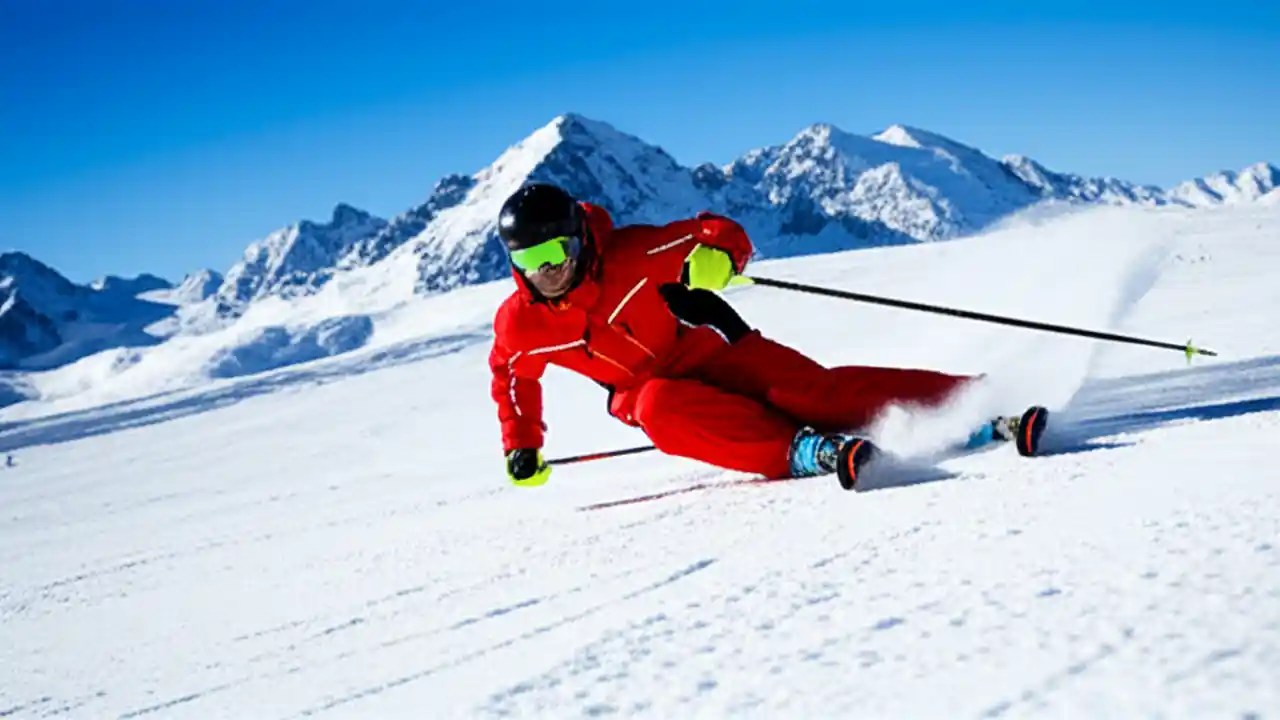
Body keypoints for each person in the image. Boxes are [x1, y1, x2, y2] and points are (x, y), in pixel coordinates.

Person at [488, 183, 995, 487]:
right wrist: (522, 443)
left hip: (709, 351)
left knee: (806, 393)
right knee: (658, 407)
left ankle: (972, 401)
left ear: (578, 240)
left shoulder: (632, 255)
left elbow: (715, 229)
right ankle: (797, 452)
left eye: (554, 252)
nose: (546, 271)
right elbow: (512, 378)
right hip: (646, 390)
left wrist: (723, 257)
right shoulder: (522, 323)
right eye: (528, 261)